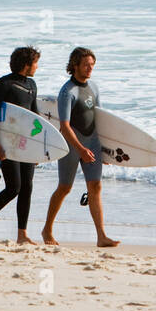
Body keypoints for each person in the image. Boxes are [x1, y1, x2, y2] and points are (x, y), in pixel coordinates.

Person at [42, 47, 119, 248]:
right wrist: (80, 149)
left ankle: (101, 236)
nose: (89, 68)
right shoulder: (67, 91)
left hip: (92, 142)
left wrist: (106, 150)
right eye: (86, 65)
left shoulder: (93, 87)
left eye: (92, 65)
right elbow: (64, 126)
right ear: (74, 65)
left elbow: (101, 118)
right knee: (64, 188)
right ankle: (47, 229)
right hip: (71, 144)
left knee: (95, 187)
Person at [0, 46, 42, 244]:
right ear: (26, 65)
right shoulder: (3, 84)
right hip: (7, 143)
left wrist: (37, 150)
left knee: (27, 187)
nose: (37, 67)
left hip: (25, 145)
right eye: (35, 63)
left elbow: (35, 118)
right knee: (14, 187)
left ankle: (22, 234)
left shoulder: (32, 85)